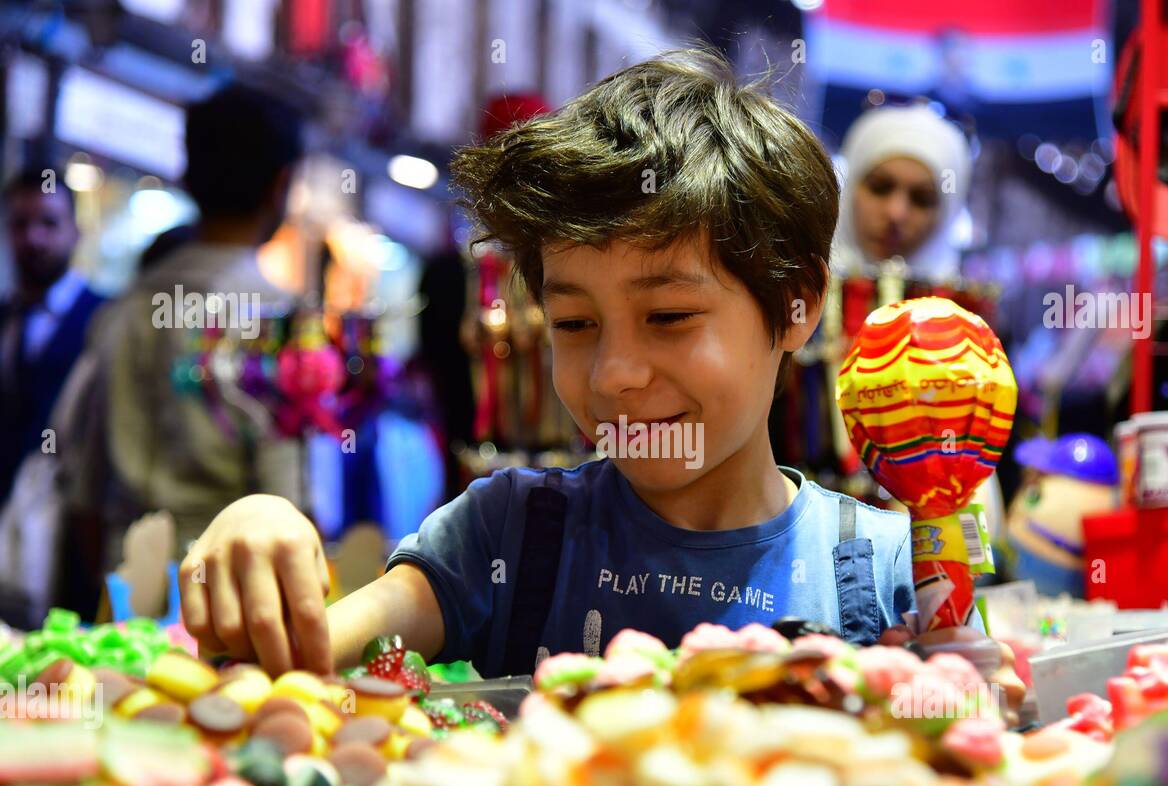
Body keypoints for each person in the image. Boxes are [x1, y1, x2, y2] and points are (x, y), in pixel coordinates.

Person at [178, 51, 1020, 706]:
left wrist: (968, 699)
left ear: (796, 305)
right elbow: (310, 659)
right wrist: (260, 528)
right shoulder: (502, 537)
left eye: (669, 317)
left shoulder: (888, 571)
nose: (615, 376)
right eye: (575, 324)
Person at [91, 82, 307, 565]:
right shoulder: (281, 319)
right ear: (280, 186)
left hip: (119, 576)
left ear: (187, 176)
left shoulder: (123, 306)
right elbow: (287, 494)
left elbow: (81, 480)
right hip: (230, 582)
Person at [0, 168, 107, 504]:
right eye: (20, 224)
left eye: (49, 223)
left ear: (76, 232)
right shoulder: (7, 316)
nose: (34, 239)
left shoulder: (102, 319)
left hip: (68, 520)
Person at [829, 102, 972, 282]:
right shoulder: (801, 296)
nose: (896, 213)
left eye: (922, 199)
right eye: (880, 188)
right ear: (849, 188)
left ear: (947, 212)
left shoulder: (962, 308)